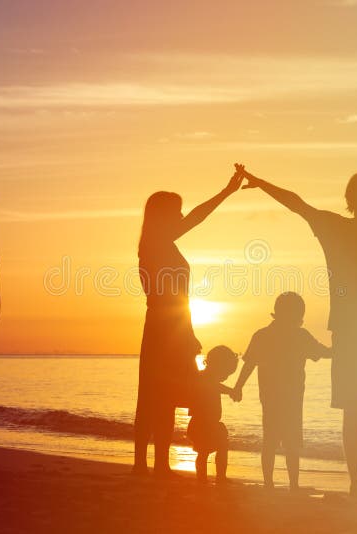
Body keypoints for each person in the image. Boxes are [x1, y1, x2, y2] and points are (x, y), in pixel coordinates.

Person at [237, 164, 357, 500]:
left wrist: (260, 182)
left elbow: (296, 203)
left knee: (354, 412)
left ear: (349, 200)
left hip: (351, 334)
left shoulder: (334, 228)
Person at [133, 169, 244, 478]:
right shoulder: (154, 243)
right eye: (176, 211)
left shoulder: (161, 244)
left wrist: (190, 333)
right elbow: (197, 218)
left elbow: (179, 301)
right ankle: (144, 464)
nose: (181, 215)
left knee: (164, 396)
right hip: (163, 328)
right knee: (155, 396)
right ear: (162, 216)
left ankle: (157, 464)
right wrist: (226, 192)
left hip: (172, 327)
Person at [233, 292, 332, 491]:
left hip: (270, 398)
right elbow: (324, 352)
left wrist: (238, 386)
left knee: (270, 440)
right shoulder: (299, 335)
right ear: (298, 315)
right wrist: (346, 347)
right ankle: (293, 485)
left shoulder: (262, 335)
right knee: (291, 444)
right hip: (291, 399)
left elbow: (249, 364)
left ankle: (270, 483)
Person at [187, 345, 239, 484]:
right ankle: (202, 478)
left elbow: (215, 386)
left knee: (222, 446)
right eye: (226, 373)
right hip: (200, 423)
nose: (226, 377)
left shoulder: (208, 378)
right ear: (218, 366)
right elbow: (213, 386)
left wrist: (230, 391)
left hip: (212, 424)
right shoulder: (203, 377)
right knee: (203, 452)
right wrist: (231, 391)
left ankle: (220, 477)